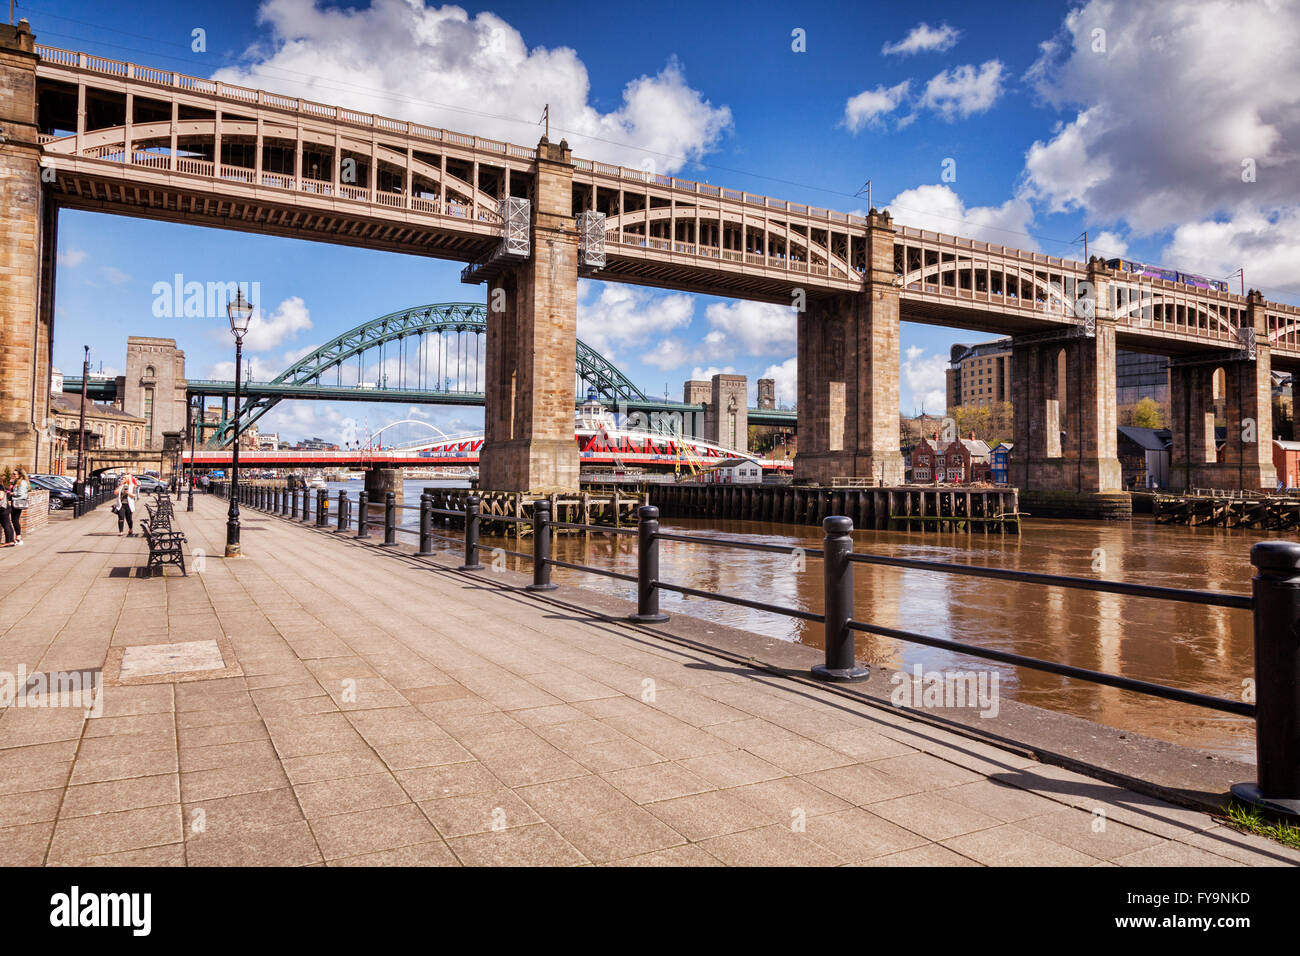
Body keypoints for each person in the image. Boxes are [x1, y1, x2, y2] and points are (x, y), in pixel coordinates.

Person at [115, 469, 140, 536]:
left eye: (124, 478)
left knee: (129, 519)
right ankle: (121, 531)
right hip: (121, 504)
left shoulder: (132, 486)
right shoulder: (121, 486)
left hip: (129, 505)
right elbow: (115, 492)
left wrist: (128, 493)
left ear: (128, 479)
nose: (123, 479)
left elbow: (134, 495)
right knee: (121, 517)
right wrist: (120, 485)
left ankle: (130, 529)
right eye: (123, 478)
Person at [10, 467, 30, 545]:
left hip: (17, 502)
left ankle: (18, 538)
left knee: (15, 520)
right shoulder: (17, 482)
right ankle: (18, 537)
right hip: (16, 502)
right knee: (15, 520)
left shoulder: (22, 482)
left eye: (14, 474)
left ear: (20, 475)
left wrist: (11, 494)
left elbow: (20, 494)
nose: (13, 475)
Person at [0, 477, 13, 548]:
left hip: (2, 509)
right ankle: (11, 540)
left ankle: (8, 541)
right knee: (8, 524)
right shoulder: (4, 487)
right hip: (6, 508)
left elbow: (1, 497)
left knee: (6, 525)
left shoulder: (0, 487)